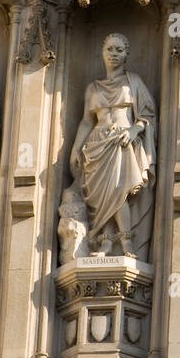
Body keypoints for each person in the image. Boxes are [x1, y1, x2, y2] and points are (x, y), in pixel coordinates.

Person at [70, 33, 157, 259]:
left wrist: (134, 130)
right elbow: (87, 121)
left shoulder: (133, 81)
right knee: (101, 198)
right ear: (102, 52)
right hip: (96, 144)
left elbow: (147, 114)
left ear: (127, 54)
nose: (114, 54)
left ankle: (127, 243)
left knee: (118, 192)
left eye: (119, 50)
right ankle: (106, 245)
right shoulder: (93, 88)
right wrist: (75, 148)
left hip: (121, 142)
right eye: (110, 49)